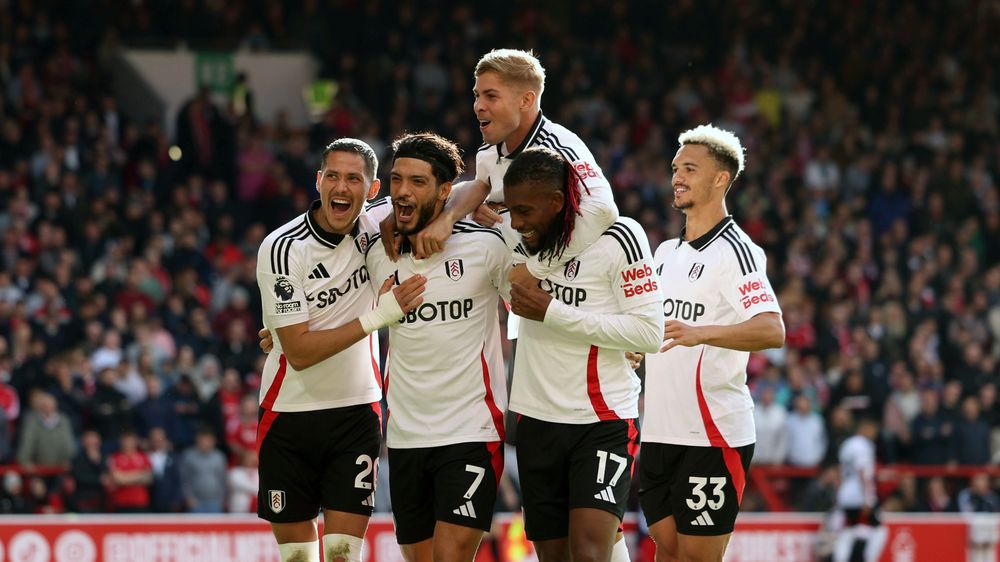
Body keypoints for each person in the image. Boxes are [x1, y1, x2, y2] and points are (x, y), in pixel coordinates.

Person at [255, 138, 426, 562]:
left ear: (372, 191)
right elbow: (299, 352)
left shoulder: (378, 223)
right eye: (332, 176)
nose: (341, 187)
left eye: (354, 179)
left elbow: (444, 192)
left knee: (342, 556)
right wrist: (377, 317)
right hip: (288, 414)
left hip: (355, 413)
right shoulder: (282, 249)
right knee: (298, 558)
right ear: (318, 181)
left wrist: (467, 210)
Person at [501, 147, 663, 562]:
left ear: (556, 203)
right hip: (536, 419)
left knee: (589, 550)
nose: (516, 222)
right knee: (553, 555)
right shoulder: (516, 239)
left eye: (524, 211)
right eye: (511, 210)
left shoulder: (620, 237)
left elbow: (649, 332)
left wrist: (552, 312)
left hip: (602, 418)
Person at [640, 125, 785, 562]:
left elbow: (771, 329)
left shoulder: (737, 252)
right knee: (667, 553)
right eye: (675, 168)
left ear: (721, 179)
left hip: (712, 434)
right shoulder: (664, 252)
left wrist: (702, 333)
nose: (677, 177)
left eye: (690, 168)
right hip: (659, 431)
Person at [364, 133, 511, 562]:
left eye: (418, 182)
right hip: (406, 436)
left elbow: (535, 297)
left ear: (445, 191)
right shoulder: (378, 246)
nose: (403, 192)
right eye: (396, 180)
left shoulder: (486, 244)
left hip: (471, 429)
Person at [380, 48, 618, 288]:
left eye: (491, 96)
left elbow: (602, 209)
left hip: (577, 289)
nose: (478, 106)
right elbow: (480, 184)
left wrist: (535, 269)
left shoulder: (557, 147)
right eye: (477, 95)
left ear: (526, 100)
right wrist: (434, 214)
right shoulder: (490, 150)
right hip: (527, 296)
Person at [832, 417, 887, 562]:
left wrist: (839, 495)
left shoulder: (847, 444)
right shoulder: (864, 445)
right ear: (865, 427)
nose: (875, 433)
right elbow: (863, 472)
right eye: (873, 429)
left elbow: (840, 472)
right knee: (880, 531)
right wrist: (868, 498)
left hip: (845, 495)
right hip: (859, 495)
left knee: (849, 530)